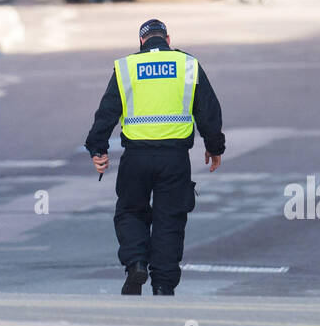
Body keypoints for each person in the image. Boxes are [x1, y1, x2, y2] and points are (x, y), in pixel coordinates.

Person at [86, 18, 225, 295]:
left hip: (136, 158)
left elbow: (107, 111)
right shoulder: (187, 64)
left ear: (141, 42)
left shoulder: (127, 67)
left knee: (130, 211)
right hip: (174, 159)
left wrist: (98, 148)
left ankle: (136, 262)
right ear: (168, 39)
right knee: (170, 218)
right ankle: (163, 284)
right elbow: (208, 110)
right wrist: (214, 146)